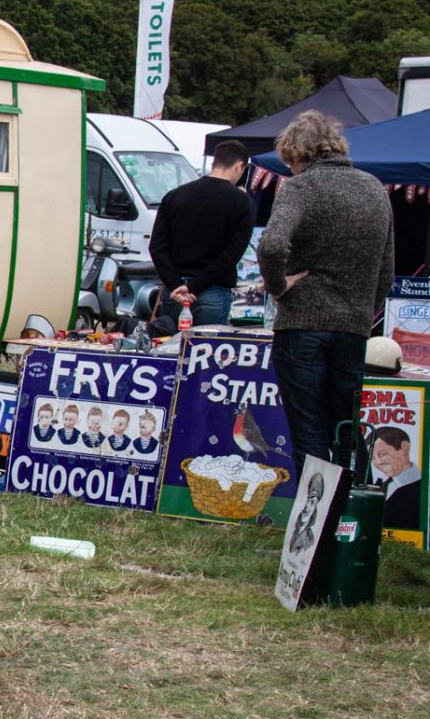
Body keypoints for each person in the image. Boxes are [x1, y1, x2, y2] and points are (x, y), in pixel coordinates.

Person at [257, 111, 394, 473]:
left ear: (297, 154)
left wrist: (278, 287)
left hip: (302, 322)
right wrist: (363, 309)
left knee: (310, 432)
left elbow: (271, 246)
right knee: (348, 428)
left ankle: (317, 522)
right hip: (353, 325)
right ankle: (352, 514)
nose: (291, 170)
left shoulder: (300, 188)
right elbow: (386, 269)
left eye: (291, 163)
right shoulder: (374, 189)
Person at [150, 139, 253, 327]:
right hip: (212, 289)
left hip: (174, 289)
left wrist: (175, 284)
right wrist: (193, 287)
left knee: (169, 350)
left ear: (213, 163)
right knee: (206, 351)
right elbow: (231, 255)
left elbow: (157, 246)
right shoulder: (241, 202)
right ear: (239, 166)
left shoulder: (174, 196)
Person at [371, 426, 422, 531]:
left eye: (383, 454)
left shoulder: (422, 488)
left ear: (405, 447)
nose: (378, 462)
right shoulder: (378, 485)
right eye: (373, 458)